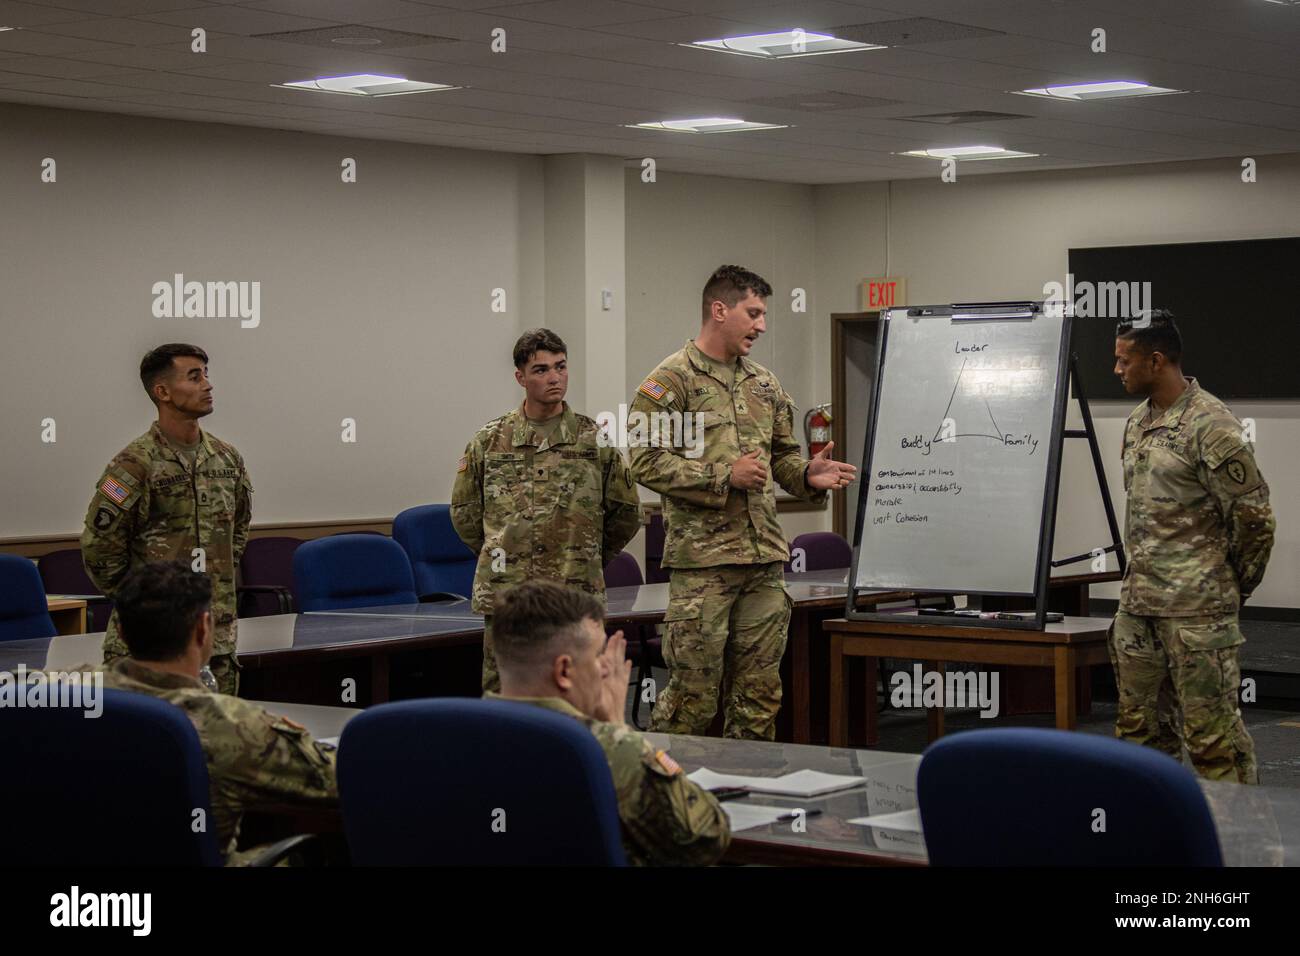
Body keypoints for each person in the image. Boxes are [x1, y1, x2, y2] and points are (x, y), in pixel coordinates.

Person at [628, 265, 856, 739]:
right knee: (692, 697)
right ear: (719, 310)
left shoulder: (764, 384)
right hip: (703, 566)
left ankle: (749, 783)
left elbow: (783, 458)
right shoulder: (670, 382)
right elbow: (646, 462)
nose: (762, 325)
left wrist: (807, 475)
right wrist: (722, 476)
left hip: (763, 561)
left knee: (759, 697)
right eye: (753, 313)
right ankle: (665, 783)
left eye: (763, 314)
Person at [1111, 312, 1274, 783]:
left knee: (1214, 745)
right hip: (1139, 609)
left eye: (1124, 360)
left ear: (1156, 361)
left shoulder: (1212, 425)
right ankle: (1152, 826)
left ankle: (1235, 831)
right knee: (1138, 743)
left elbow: (1254, 521)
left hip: (1197, 616)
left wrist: (1228, 588)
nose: (1117, 370)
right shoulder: (1138, 421)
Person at [99, 561, 337, 863]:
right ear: (203, 629)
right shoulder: (232, 725)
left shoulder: (67, 694)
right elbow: (341, 779)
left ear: (120, 632)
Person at [451, 328, 642, 693]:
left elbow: (626, 512)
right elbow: (465, 514)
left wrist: (586, 557)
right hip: (509, 595)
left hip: (575, 594)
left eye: (561, 366)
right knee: (505, 695)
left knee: (577, 695)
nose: (555, 377)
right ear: (520, 377)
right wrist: (505, 556)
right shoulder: (490, 441)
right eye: (541, 370)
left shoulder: (593, 440)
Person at [490, 581, 731, 865]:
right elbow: (706, 837)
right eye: (597, 655)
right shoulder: (605, 748)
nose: (605, 668)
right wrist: (620, 730)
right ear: (564, 671)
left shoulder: (455, 738)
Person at [81, 344, 252, 695]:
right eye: (194, 377)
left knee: (215, 730)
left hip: (214, 641)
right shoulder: (134, 465)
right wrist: (143, 601)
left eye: (206, 375)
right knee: (149, 730)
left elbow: (236, 534)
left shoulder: (226, 458)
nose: (207, 385)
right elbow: (100, 549)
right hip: (147, 648)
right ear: (163, 392)